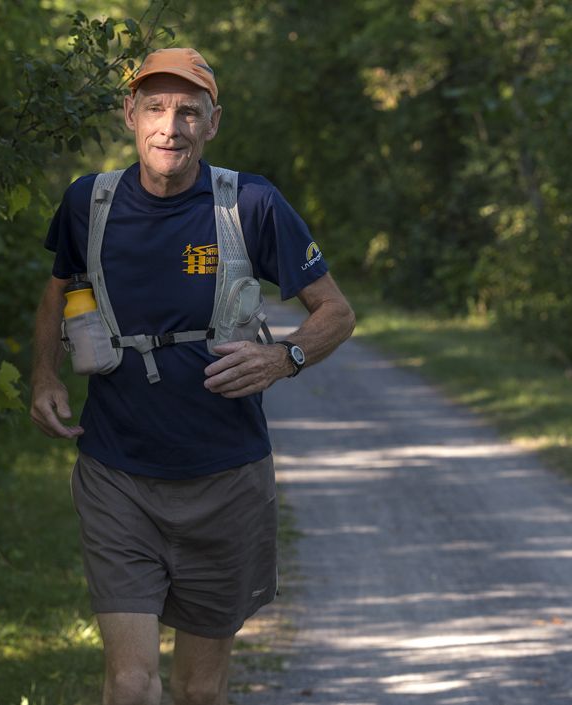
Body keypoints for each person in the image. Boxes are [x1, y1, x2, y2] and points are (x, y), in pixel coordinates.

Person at [30, 47, 354, 705]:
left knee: (200, 691)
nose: (169, 126)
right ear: (130, 114)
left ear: (212, 123)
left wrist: (281, 357)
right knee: (130, 681)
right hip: (117, 472)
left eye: (188, 111)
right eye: (155, 107)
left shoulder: (251, 204)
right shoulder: (87, 203)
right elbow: (55, 290)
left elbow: (336, 313)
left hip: (226, 476)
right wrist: (44, 375)